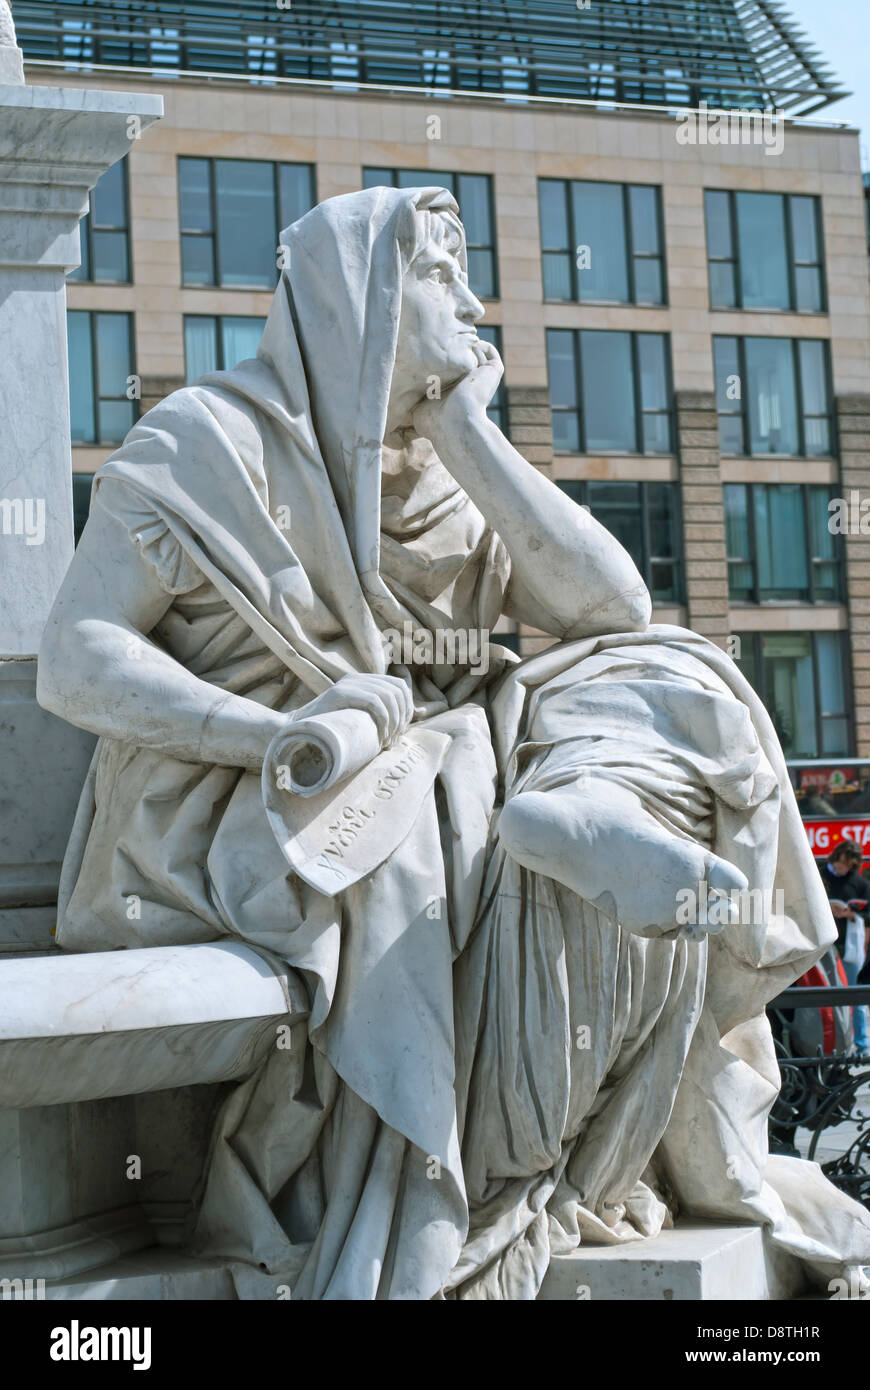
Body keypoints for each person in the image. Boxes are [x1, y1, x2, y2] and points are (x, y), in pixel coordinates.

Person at [37, 185, 870, 1299]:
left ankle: (588, 806)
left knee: (672, 668)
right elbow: (76, 653)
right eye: (441, 273)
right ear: (363, 297)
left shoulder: (442, 470)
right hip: (257, 787)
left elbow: (614, 605)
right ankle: (472, 1163)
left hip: (439, 749)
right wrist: (274, 729)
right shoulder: (207, 442)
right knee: (440, 815)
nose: (474, 305)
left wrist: (464, 429)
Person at [819, 840, 870, 1056]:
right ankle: (831, 1044)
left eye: (847, 867)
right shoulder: (820, 875)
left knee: (855, 994)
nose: (842, 869)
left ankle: (862, 1044)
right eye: (840, 864)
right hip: (824, 945)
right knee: (824, 995)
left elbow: (867, 914)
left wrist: (850, 914)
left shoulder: (859, 883)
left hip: (850, 945)